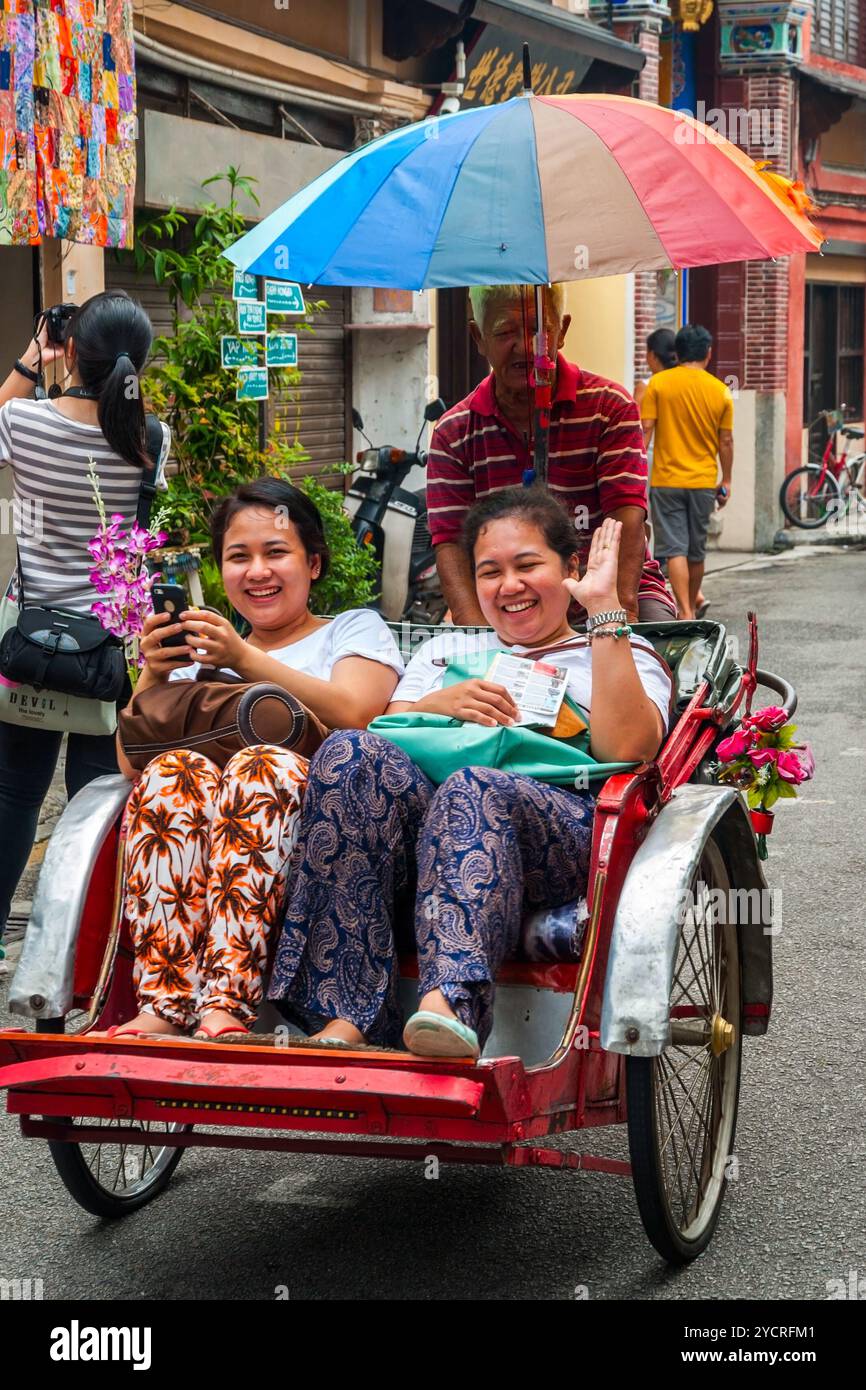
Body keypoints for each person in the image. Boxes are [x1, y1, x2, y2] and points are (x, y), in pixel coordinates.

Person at [268, 486, 672, 1059]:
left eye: (528, 565)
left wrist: (606, 611)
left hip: (561, 830)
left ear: (571, 568)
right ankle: (346, 1013)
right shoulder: (444, 651)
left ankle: (448, 1003)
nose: (509, 586)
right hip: (429, 833)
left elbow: (628, 748)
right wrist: (437, 704)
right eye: (491, 571)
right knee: (349, 753)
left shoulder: (618, 653)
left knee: (472, 787)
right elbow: (383, 728)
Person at [102, 477, 405, 1040]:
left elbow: (355, 712)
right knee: (171, 773)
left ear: (313, 564)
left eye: (276, 553)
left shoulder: (351, 629)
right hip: (208, 853)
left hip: (324, 846)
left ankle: (224, 1003)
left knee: (260, 767)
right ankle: (166, 1005)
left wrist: (242, 657)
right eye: (238, 556)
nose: (257, 571)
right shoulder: (201, 652)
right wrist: (156, 670)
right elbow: (129, 763)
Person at [0, 290, 170, 964]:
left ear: (71, 348)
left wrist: (31, 356)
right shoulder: (149, 438)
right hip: (111, 651)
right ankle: (89, 948)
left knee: (14, 795)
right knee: (99, 795)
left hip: (33, 642)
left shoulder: (26, 423)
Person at [426, 283, 675, 628]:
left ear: (562, 331)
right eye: (505, 332)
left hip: (612, 592)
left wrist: (619, 621)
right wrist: (476, 633)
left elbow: (627, 519)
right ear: (478, 337)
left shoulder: (609, 407)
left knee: (660, 666)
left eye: (538, 331)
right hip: (508, 602)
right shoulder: (453, 432)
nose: (525, 347)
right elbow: (450, 542)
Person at [641, 324, 733, 621]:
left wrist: (637, 468)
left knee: (673, 548)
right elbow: (726, 441)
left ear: (677, 352)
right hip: (703, 481)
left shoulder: (659, 384)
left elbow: (646, 429)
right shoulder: (721, 390)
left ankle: (685, 611)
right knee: (696, 549)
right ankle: (691, 604)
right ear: (708, 353)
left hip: (666, 480)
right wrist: (727, 479)